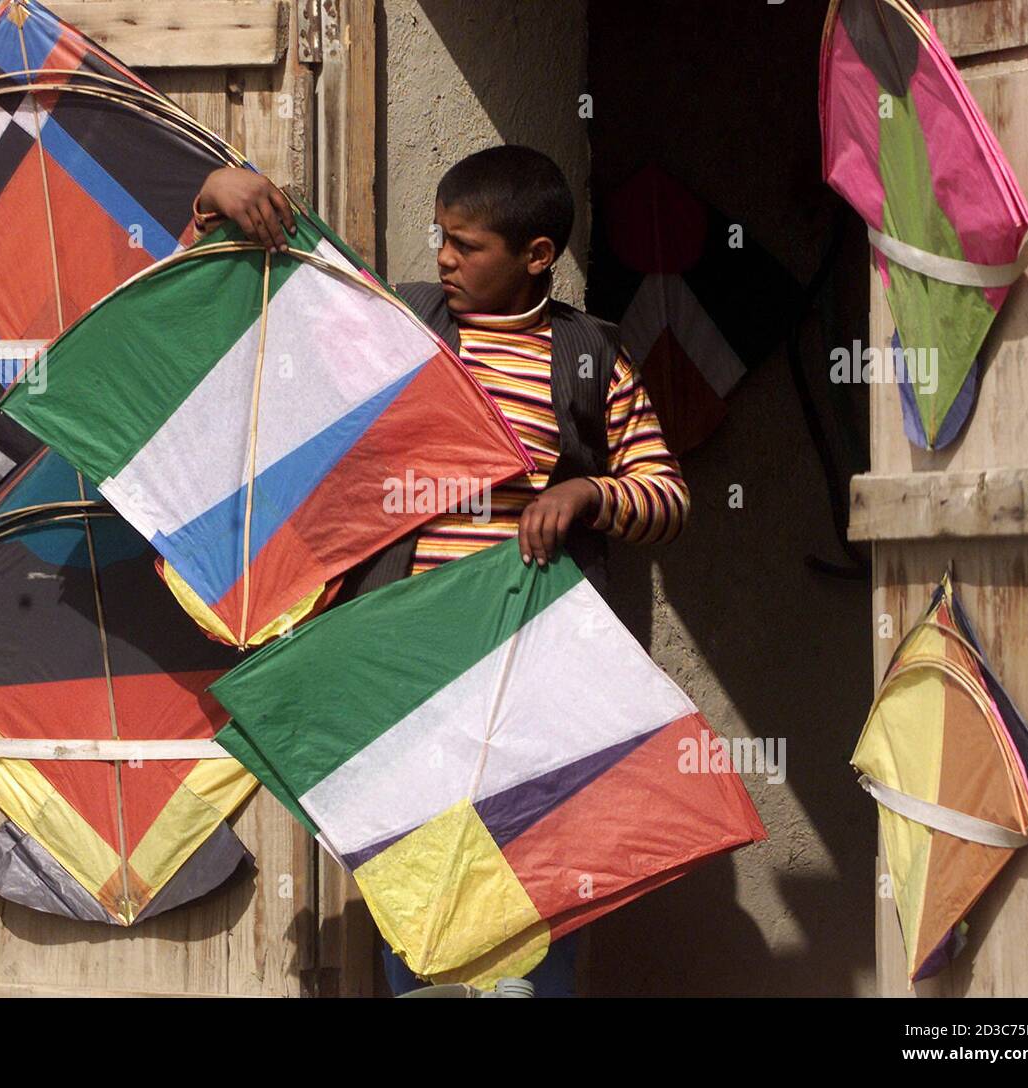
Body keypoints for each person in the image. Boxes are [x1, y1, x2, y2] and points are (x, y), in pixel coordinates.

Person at [192, 145, 690, 996]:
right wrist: (213, 200)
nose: (443, 259)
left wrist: (588, 493)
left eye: (468, 246)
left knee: (540, 887)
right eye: (440, 238)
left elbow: (667, 496)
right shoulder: (398, 325)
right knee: (416, 888)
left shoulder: (589, 359)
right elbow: (256, 322)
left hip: (533, 684)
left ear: (538, 256)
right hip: (410, 676)